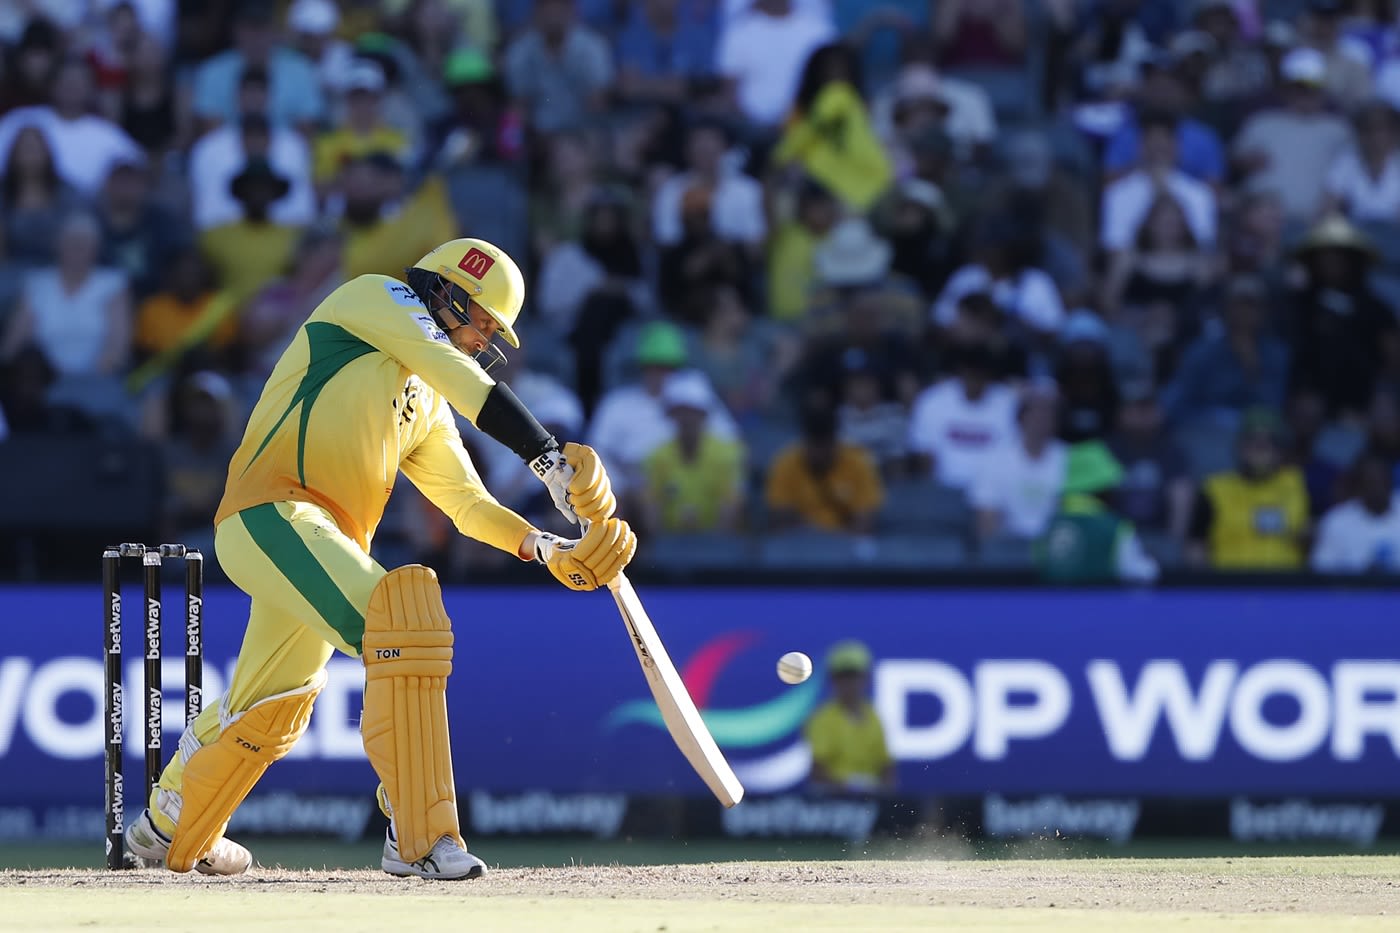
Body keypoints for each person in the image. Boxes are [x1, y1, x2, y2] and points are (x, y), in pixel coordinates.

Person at [122, 238, 637, 881]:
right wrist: (549, 458)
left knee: (275, 702)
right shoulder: (374, 297)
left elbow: (466, 504)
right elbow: (468, 382)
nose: (483, 341)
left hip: (322, 543)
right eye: (479, 323)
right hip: (271, 514)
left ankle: (169, 822)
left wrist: (545, 546)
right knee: (402, 623)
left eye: (493, 333)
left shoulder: (426, 396)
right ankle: (417, 833)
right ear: (447, 292)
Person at [804, 640, 895, 794]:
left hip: (872, 798)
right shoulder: (822, 719)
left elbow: (886, 765)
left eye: (854, 676)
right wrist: (849, 788)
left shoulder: (874, 716)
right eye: (842, 677)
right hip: (834, 802)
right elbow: (818, 770)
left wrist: (884, 795)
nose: (849, 683)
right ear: (833, 680)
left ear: (865, 678)